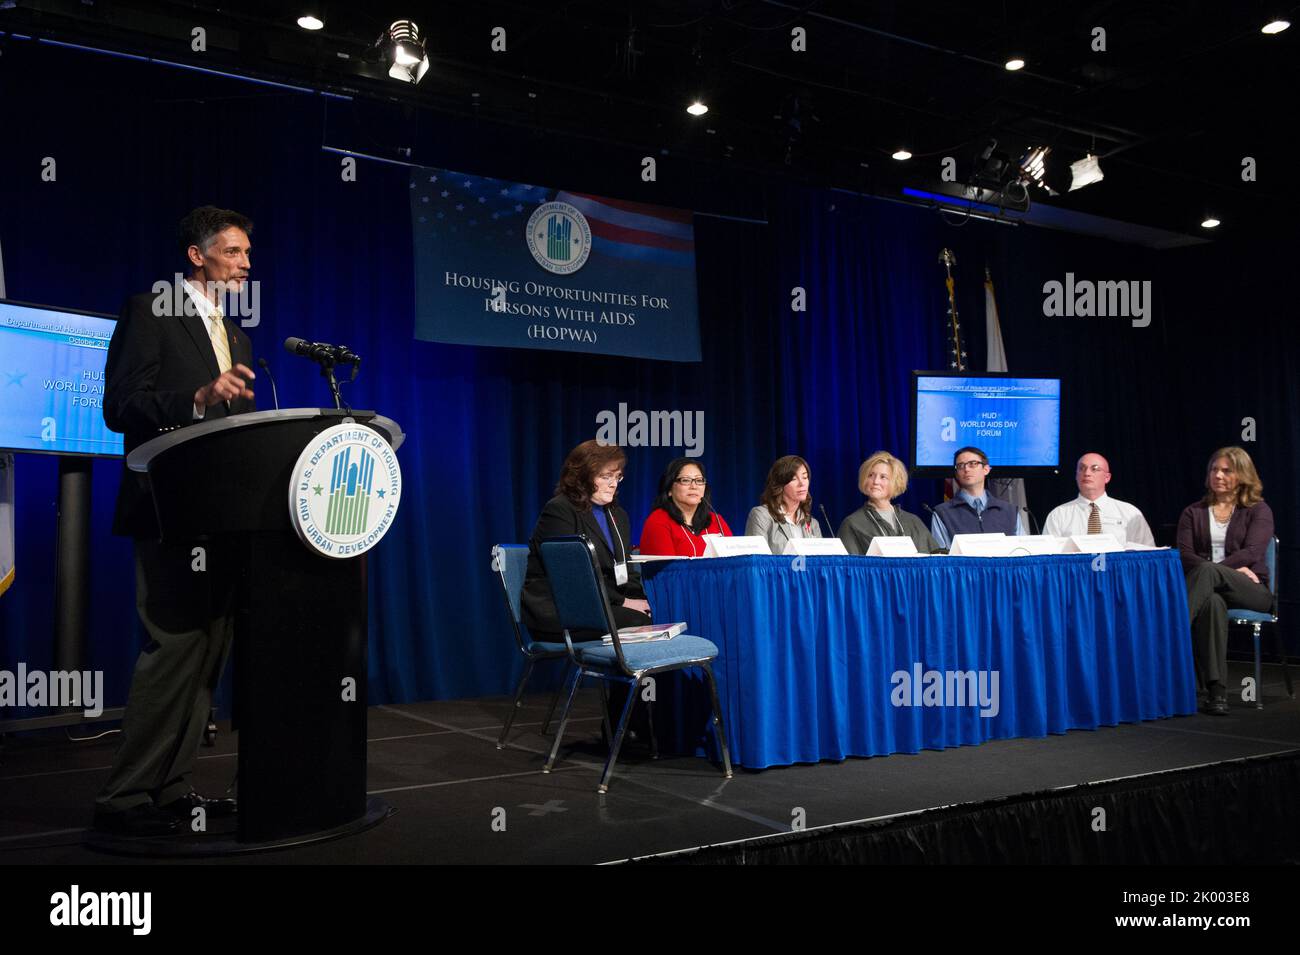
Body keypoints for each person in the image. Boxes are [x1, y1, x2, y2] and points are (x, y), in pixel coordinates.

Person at [95, 206, 257, 836]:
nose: (246, 265)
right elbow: (120, 406)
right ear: (197, 256)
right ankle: (125, 796)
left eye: (247, 254)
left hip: (224, 515)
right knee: (173, 648)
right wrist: (197, 397)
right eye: (235, 252)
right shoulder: (149, 311)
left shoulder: (238, 337)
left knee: (209, 650)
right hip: (167, 509)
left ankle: (171, 786)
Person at [1176, 446, 1274, 716]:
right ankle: (1217, 692)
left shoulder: (1258, 510)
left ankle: (1171, 638)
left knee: (1208, 573)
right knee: (1213, 603)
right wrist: (1218, 571)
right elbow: (1184, 555)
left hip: (1252, 589)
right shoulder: (1193, 512)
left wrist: (1217, 570)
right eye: (1214, 470)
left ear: (1242, 474)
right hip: (1210, 589)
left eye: (1226, 470)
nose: (1218, 475)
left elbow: (1252, 552)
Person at [521, 440, 650, 640]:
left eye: (617, 477)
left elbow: (626, 567)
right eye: (606, 476)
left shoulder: (618, 515)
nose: (613, 484)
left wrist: (640, 599)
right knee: (636, 621)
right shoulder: (560, 510)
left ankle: (638, 672)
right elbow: (571, 576)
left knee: (657, 612)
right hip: (562, 610)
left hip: (604, 604)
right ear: (582, 477)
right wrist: (624, 602)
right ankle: (624, 672)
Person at [837, 451, 942, 555]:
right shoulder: (852, 524)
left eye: (883, 477)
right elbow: (848, 568)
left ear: (895, 482)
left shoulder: (913, 521)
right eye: (870, 475)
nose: (876, 481)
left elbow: (935, 560)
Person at [1042, 452, 1155, 546]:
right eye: (1082, 468)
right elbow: (1048, 559)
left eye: (1095, 469)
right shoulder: (1058, 515)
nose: (1087, 473)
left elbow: (1148, 556)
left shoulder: (1130, 513)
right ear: (1076, 476)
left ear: (1107, 477)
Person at [929, 446, 1025, 550]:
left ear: (986, 469)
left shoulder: (1009, 511)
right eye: (960, 466)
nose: (966, 469)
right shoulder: (942, 513)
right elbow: (942, 559)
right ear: (956, 474)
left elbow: (1023, 552)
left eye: (973, 464)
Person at [638, 458, 733, 557]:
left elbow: (735, 563)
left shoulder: (716, 520)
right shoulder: (658, 521)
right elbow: (665, 570)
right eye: (685, 480)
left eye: (699, 480)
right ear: (669, 489)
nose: (694, 486)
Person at [745, 455, 822, 554]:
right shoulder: (761, 516)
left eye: (805, 477)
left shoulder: (812, 523)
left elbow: (820, 563)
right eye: (794, 479)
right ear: (780, 484)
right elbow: (757, 562)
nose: (802, 483)